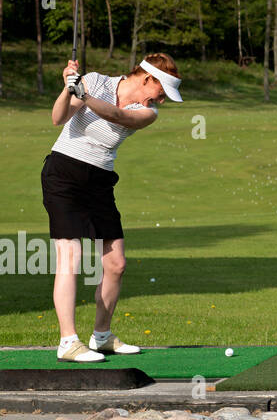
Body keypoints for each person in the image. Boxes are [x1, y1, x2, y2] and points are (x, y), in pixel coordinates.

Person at [43, 54, 183, 362]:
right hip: (63, 173)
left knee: (116, 263)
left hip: (100, 181)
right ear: (148, 78)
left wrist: (86, 97)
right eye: (161, 92)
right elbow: (57, 118)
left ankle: (101, 336)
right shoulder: (95, 81)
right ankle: (68, 341)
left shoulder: (148, 112)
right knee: (71, 256)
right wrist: (68, 89)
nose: (162, 99)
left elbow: (119, 117)